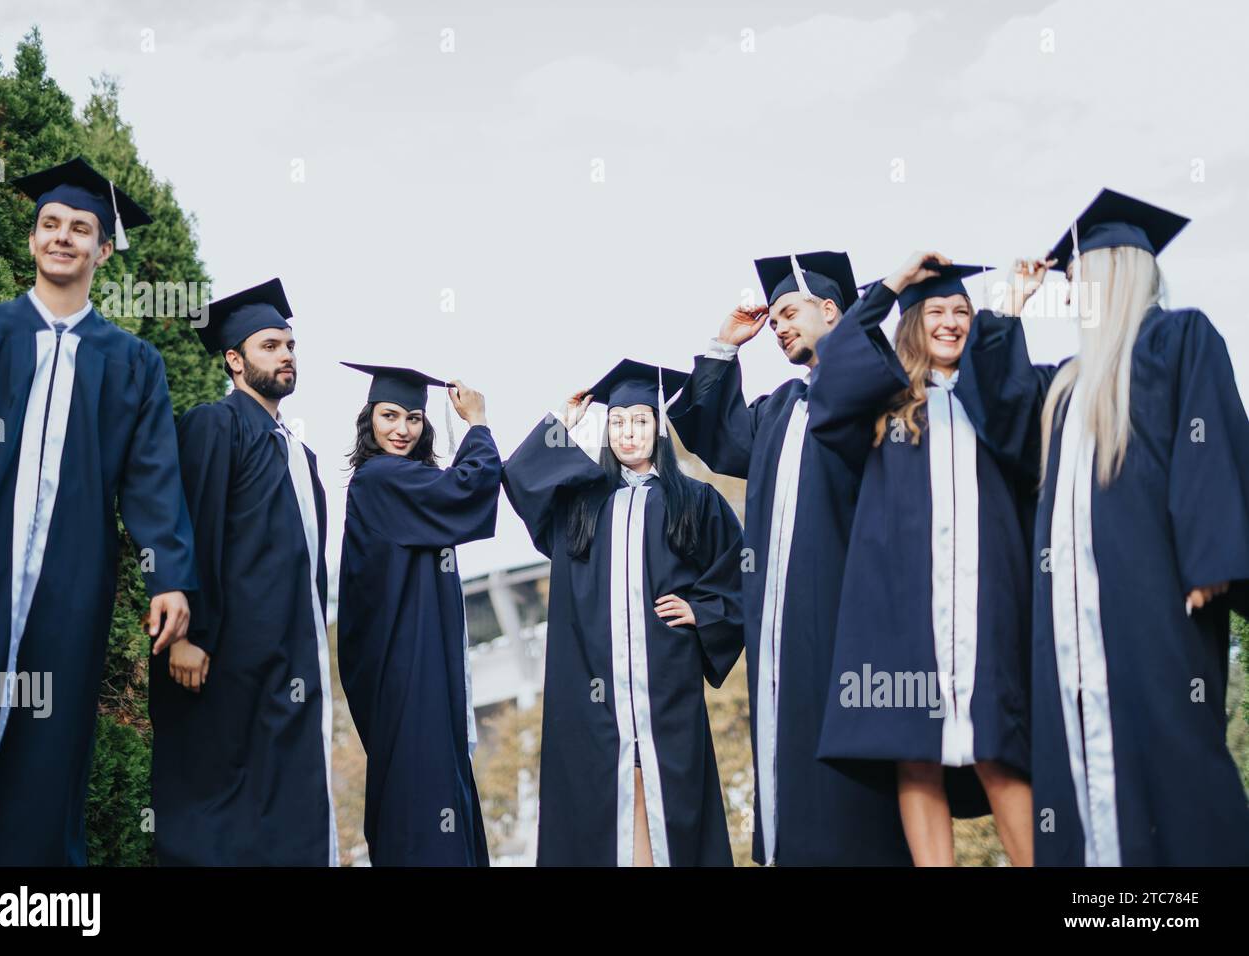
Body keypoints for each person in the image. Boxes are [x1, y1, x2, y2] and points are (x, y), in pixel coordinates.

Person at [963, 188, 1249, 865]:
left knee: (1173, 748)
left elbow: (1210, 442)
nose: (1072, 291)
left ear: (1117, 273)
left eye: (1078, 278)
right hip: (1066, 618)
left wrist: (1208, 558)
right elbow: (1001, 416)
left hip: (1151, 595)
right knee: (1076, 752)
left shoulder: (1179, 339)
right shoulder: (1065, 383)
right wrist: (1008, 306)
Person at [0, 157, 195, 865]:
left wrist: (168, 575)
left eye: (80, 228)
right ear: (31, 239)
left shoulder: (131, 362)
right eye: (50, 224)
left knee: (48, 753)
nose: (62, 238)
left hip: (69, 586)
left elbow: (152, 479)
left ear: (103, 249)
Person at [669, 250, 948, 865]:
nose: (778, 326)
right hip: (779, 628)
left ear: (832, 311)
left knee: (850, 775)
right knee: (787, 762)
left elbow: (863, 370)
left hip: (851, 615)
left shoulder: (872, 383)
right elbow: (716, 437)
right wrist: (725, 344)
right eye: (775, 321)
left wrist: (894, 286)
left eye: (789, 313)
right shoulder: (779, 408)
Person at [818, 261, 1034, 866]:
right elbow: (831, 379)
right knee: (914, 752)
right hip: (902, 604)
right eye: (937, 310)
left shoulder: (994, 394)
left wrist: (1007, 314)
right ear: (913, 322)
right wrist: (888, 285)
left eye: (962, 311)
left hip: (986, 601)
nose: (951, 321)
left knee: (999, 749)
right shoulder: (883, 405)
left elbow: (1024, 421)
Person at [503, 359, 745, 866]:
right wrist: (562, 422)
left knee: (668, 796)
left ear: (658, 426)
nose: (628, 432)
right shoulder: (581, 503)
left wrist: (704, 612)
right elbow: (521, 480)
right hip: (593, 687)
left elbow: (742, 571)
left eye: (639, 419)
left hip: (666, 684)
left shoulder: (694, 501)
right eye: (617, 421)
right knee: (601, 800)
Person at [149, 278, 338, 865]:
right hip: (223, 659)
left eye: (289, 345)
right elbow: (190, 528)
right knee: (218, 810)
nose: (285, 356)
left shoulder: (298, 452)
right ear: (234, 360)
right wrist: (187, 636)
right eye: (268, 346)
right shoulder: (216, 425)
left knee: (289, 805)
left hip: (289, 658)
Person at [337, 364, 499, 866]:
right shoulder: (380, 479)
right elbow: (466, 488)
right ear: (369, 420)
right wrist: (477, 423)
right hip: (408, 669)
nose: (401, 429)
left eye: (412, 418)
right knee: (425, 797)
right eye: (389, 416)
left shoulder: (399, 480)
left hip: (412, 669)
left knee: (425, 791)